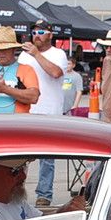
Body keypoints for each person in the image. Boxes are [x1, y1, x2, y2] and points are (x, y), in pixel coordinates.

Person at [19, 19, 73, 206]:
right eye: (34, 33)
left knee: (47, 158)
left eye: (41, 32)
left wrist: (36, 55)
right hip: (29, 109)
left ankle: (44, 194)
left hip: (50, 111)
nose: (37, 36)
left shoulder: (58, 54)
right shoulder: (24, 56)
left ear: (50, 35)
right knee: (20, 156)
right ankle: (17, 191)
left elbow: (55, 73)